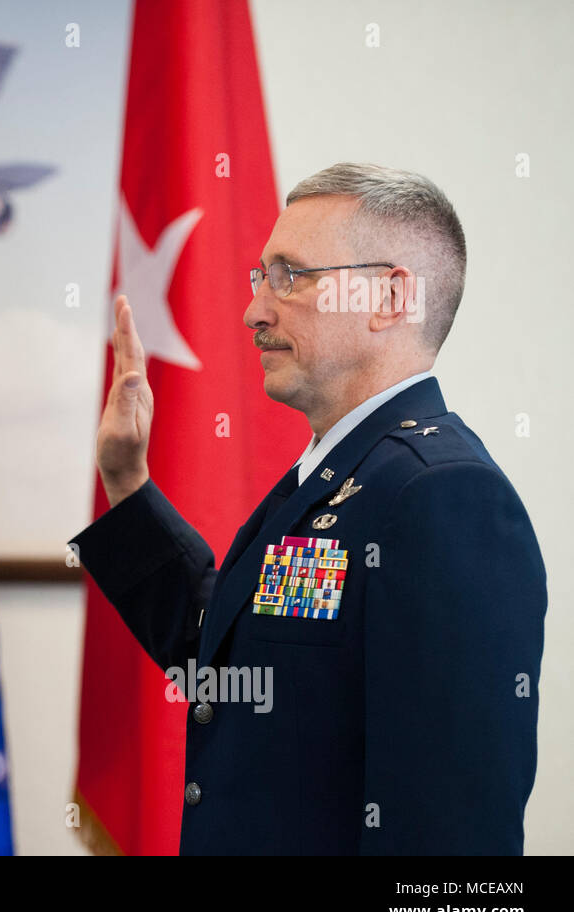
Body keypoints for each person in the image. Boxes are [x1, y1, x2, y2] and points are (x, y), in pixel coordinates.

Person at [73, 163, 545, 855]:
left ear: (389, 298)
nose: (255, 310)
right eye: (260, 277)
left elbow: (452, 839)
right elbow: (225, 660)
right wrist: (127, 483)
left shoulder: (441, 495)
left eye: (291, 276)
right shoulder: (339, 474)